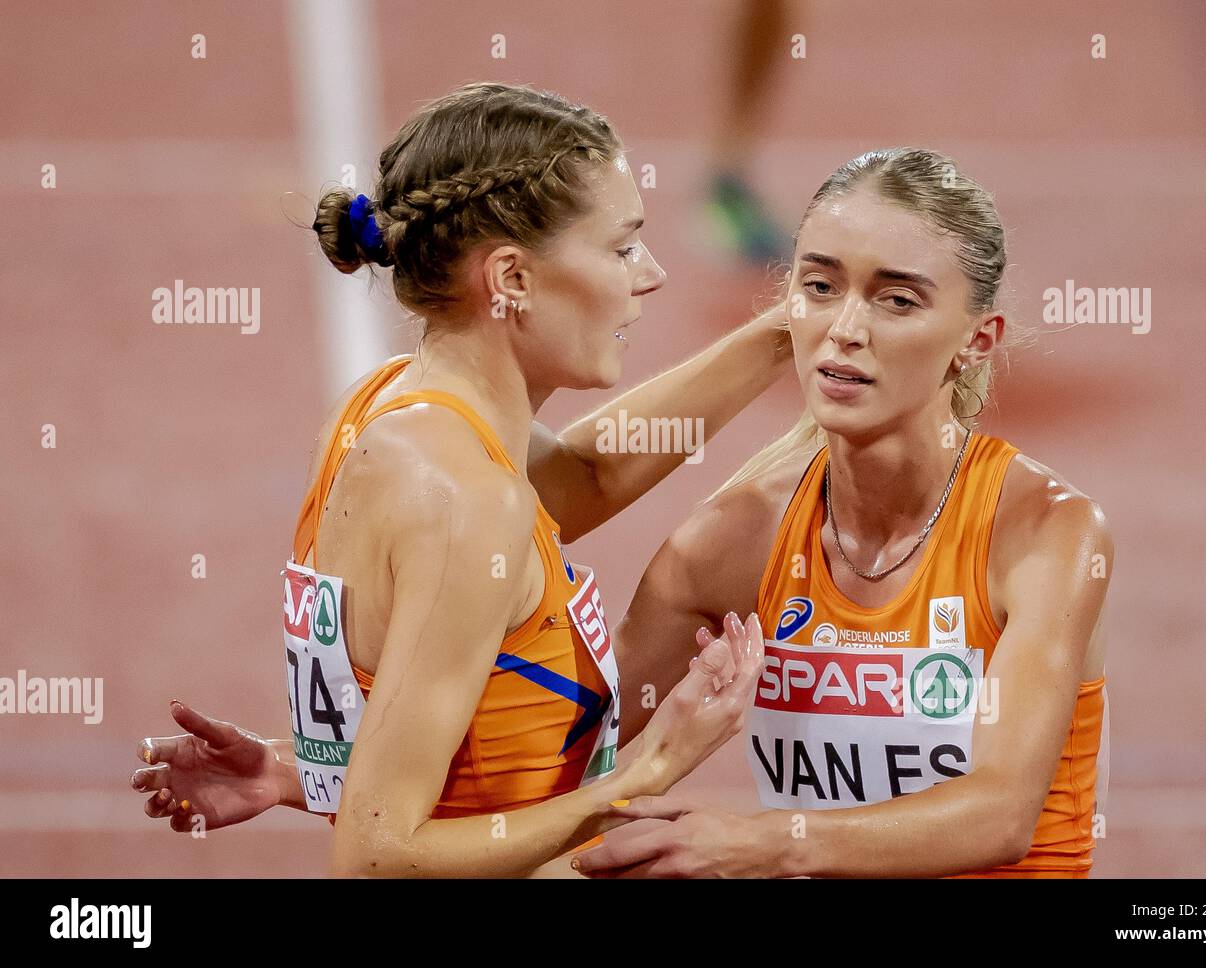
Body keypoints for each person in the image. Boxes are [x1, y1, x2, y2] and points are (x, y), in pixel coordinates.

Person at [131, 81, 780, 877]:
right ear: (510, 278)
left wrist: (783, 335)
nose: (651, 276)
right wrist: (648, 774)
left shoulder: (390, 408)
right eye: (620, 248)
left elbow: (585, 478)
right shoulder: (464, 502)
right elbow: (375, 859)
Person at [581, 146, 1112, 878]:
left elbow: (999, 816)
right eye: (821, 286)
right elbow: (556, 765)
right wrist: (648, 772)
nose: (847, 329)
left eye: (898, 300)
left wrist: (756, 844)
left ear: (975, 340)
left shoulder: (1046, 531)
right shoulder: (733, 541)